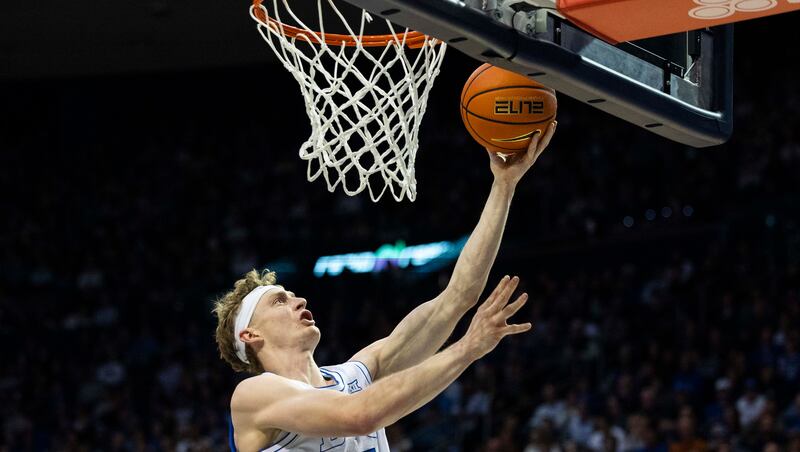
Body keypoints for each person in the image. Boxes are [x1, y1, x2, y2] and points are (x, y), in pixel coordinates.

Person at [212, 122, 557, 451]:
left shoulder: (357, 373)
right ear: (250, 335)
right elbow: (359, 415)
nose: (298, 300)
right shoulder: (253, 395)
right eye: (279, 301)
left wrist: (504, 186)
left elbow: (457, 298)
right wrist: (467, 347)